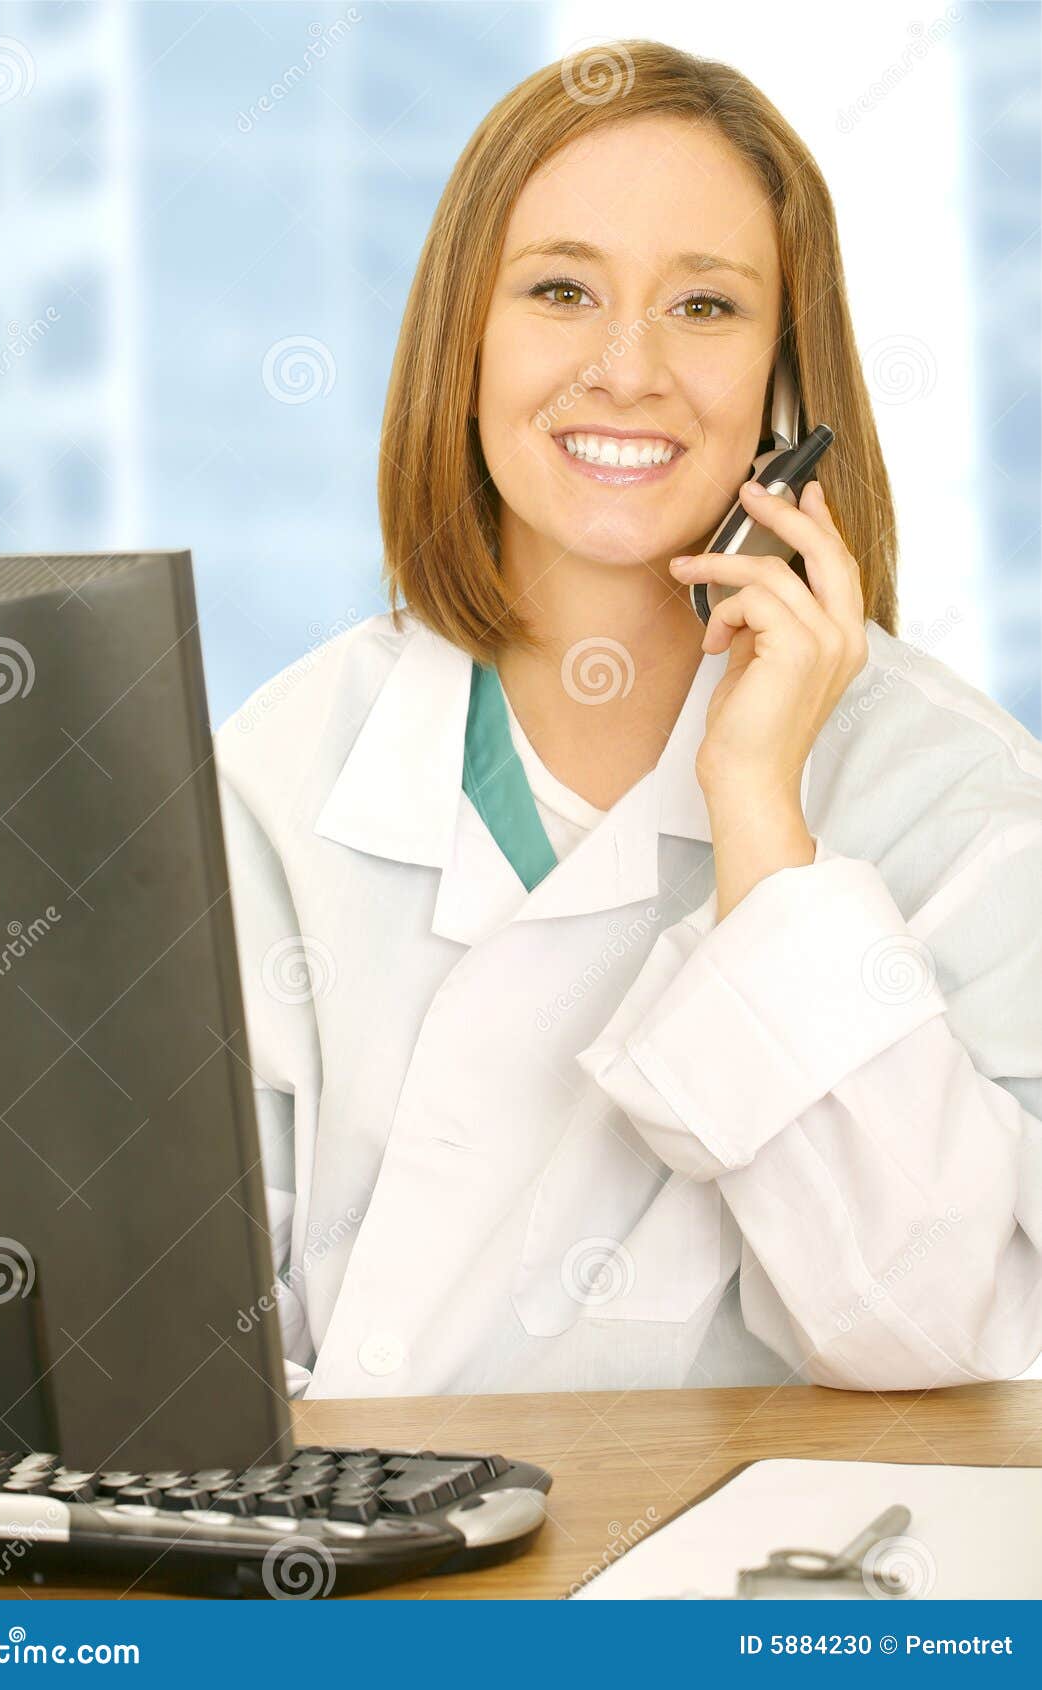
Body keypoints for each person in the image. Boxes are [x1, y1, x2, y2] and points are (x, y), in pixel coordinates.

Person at [214, 39, 1042, 1400]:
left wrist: (760, 818)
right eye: (561, 290)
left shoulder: (955, 793)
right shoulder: (275, 770)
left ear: (789, 386)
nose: (625, 369)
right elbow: (167, 1342)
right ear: (463, 342)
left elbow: (959, 1344)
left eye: (704, 306)